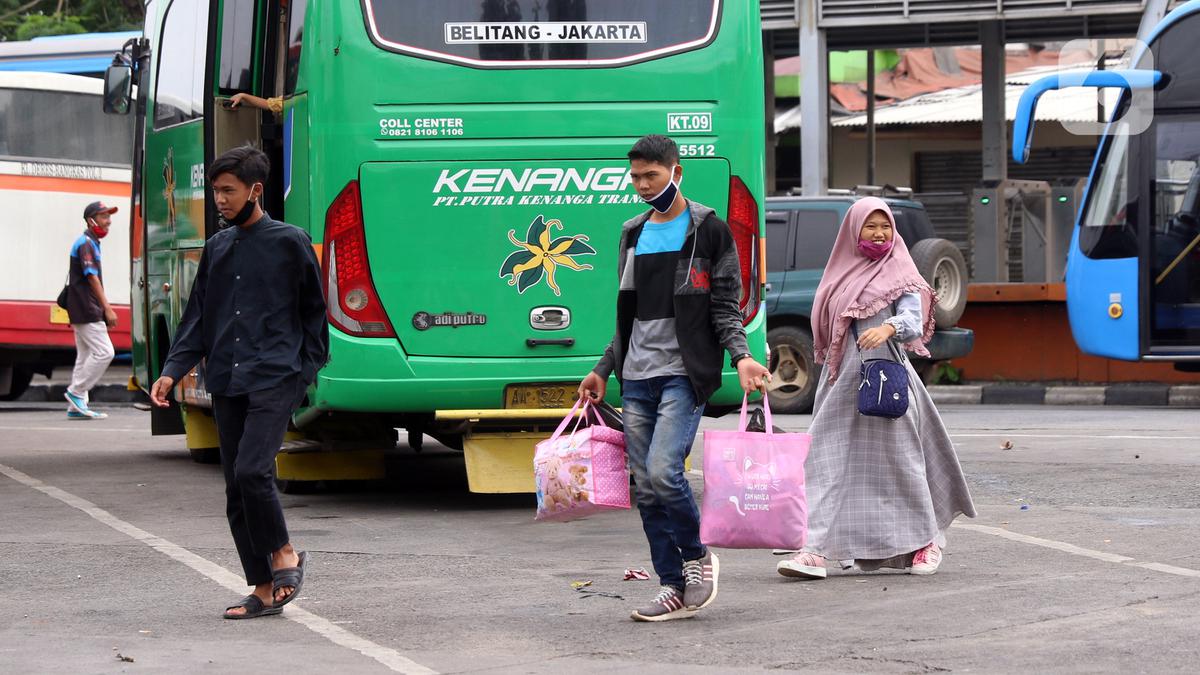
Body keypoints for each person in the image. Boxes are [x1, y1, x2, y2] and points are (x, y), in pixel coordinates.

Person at [578, 134, 771, 622]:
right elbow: (631, 315)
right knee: (645, 485)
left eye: (652, 176)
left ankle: (696, 556)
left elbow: (725, 305)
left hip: (684, 374)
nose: (643, 186)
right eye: (636, 178)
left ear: (676, 171)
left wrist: (742, 356)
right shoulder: (632, 232)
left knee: (664, 473)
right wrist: (604, 368)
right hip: (637, 376)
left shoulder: (709, 229)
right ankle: (670, 583)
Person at [148, 146, 328, 619]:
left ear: (255, 190)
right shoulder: (217, 248)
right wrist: (170, 372)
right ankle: (265, 588)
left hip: (275, 376)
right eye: (216, 191)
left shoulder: (291, 242)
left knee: (253, 470)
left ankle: (285, 552)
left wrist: (305, 371)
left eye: (228, 191)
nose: (220, 200)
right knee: (235, 486)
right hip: (226, 377)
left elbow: (314, 315)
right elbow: (197, 318)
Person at [775, 197, 975, 580]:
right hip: (839, 383)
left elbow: (914, 322)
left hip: (886, 383)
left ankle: (925, 543)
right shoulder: (838, 274)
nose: (879, 233)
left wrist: (889, 327)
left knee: (901, 466)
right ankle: (815, 550)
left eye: (885, 226)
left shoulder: (902, 273)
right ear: (854, 230)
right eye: (871, 226)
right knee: (824, 462)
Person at [63, 202, 119, 420]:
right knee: (105, 352)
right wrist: (107, 308)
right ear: (91, 220)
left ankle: (76, 407)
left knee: (85, 355)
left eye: (109, 217)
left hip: (79, 307)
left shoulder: (89, 242)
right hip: (86, 307)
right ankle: (76, 392)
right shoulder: (87, 243)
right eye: (104, 217)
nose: (109, 221)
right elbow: (91, 277)